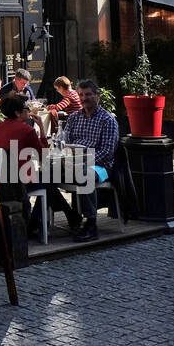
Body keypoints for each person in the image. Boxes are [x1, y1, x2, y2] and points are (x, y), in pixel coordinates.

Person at [0, 92, 80, 238]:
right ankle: (67, 215)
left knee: (48, 181)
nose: (29, 111)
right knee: (52, 176)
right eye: (26, 108)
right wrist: (41, 129)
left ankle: (42, 221)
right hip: (19, 182)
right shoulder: (27, 130)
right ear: (18, 112)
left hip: (1, 180)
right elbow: (44, 157)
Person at [62, 79, 119, 241]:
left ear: (97, 96)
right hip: (74, 162)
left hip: (100, 165)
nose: (84, 98)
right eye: (81, 95)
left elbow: (107, 152)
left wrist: (83, 163)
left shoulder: (107, 120)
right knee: (46, 173)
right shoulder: (73, 118)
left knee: (84, 175)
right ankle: (47, 218)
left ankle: (91, 224)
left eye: (88, 94)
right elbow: (65, 143)